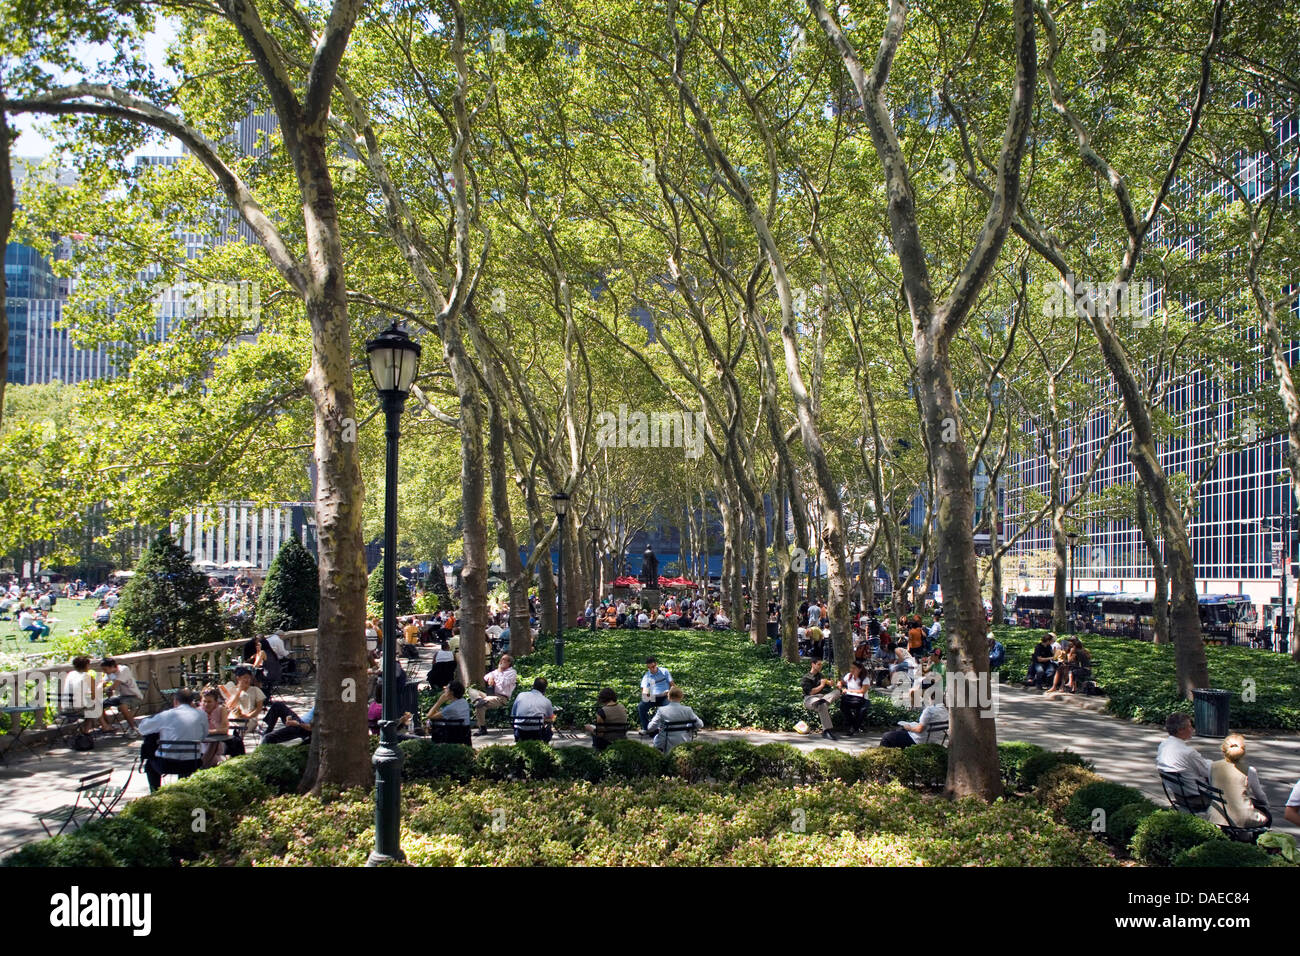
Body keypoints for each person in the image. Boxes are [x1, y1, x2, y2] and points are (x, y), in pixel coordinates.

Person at [137, 689, 209, 791]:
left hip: (166, 764)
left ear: (175, 701)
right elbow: (203, 736)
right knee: (185, 763)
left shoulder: (166, 715)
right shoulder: (201, 715)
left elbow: (142, 729)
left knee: (150, 764)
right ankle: (183, 789)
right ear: (191, 702)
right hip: (192, 763)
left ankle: (155, 792)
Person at [1207, 734, 1271, 830]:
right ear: (1243, 752)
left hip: (1216, 814)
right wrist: (1266, 804)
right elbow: (1259, 794)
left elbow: (1212, 784)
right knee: (1266, 815)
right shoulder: (1249, 770)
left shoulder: (1212, 766)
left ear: (1223, 750)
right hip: (1242, 817)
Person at [1156, 713, 1213, 809]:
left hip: (1179, 794)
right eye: (1190, 727)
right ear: (1180, 730)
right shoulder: (1188, 752)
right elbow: (1208, 771)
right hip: (1198, 797)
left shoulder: (1163, 745)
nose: (1192, 729)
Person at [880, 684, 948, 748]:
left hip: (919, 740)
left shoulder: (929, 710)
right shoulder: (946, 710)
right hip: (935, 741)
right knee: (899, 731)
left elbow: (919, 729)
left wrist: (909, 728)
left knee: (887, 736)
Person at [469, 654, 518, 735]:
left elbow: (503, 683)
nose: (501, 661)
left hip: (501, 698)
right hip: (489, 695)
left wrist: (499, 671)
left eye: (503, 659)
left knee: (480, 706)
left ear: (509, 663)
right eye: (501, 659)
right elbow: (486, 677)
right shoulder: (496, 671)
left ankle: (482, 728)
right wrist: (491, 677)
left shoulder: (512, 672)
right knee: (472, 691)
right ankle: (480, 700)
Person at [647, 686, 704, 752]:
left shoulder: (661, 710)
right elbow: (700, 724)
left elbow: (650, 727)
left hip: (665, 744)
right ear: (681, 697)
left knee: (656, 739)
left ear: (668, 697)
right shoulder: (687, 710)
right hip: (684, 742)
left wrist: (658, 728)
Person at [98, 657, 143, 736]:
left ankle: (134, 728)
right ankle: (107, 726)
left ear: (112, 666)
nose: (104, 672)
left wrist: (106, 689)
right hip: (121, 696)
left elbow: (114, 685)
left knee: (123, 706)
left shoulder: (124, 670)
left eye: (105, 669)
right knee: (99, 704)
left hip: (133, 696)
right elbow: (103, 682)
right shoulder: (109, 673)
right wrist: (97, 688)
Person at [801, 658, 841, 740]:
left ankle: (822, 702)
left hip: (822, 697)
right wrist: (822, 685)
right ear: (813, 664)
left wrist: (831, 684)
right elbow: (810, 692)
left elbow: (828, 689)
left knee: (837, 692)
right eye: (818, 664)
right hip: (810, 699)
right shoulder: (806, 677)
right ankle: (827, 731)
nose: (820, 666)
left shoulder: (821, 675)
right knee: (821, 704)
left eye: (821, 665)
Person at [220, 666, 267, 735]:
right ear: (238, 678)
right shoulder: (233, 690)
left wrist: (248, 716)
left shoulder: (255, 690)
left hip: (249, 719)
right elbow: (230, 706)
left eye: (249, 678)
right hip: (234, 717)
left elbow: (259, 708)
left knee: (237, 731)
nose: (247, 680)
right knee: (225, 728)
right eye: (245, 677)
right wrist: (239, 691)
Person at [511, 676, 555, 742]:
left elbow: (513, 713)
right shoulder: (546, 701)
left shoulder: (521, 695)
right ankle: (544, 748)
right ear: (545, 688)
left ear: (533, 685)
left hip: (520, 732)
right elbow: (551, 719)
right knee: (549, 727)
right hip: (536, 733)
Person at [637, 657, 674, 734]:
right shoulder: (647, 676)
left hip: (665, 696)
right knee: (641, 706)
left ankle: (667, 727)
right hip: (653, 697)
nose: (651, 669)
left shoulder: (664, 671)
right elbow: (644, 692)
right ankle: (646, 728)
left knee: (668, 706)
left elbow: (672, 685)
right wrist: (648, 695)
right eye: (649, 668)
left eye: (653, 667)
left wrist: (670, 693)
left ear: (656, 664)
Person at [199, 687, 229, 768]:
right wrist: (217, 730)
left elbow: (225, 730)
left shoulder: (221, 710)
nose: (206, 704)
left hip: (217, 743)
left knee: (214, 743)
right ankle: (203, 766)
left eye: (209, 702)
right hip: (200, 744)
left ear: (216, 702)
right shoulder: (198, 712)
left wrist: (209, 732)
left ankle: (202, 766)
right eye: (204, 701)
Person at [838, 660, 869, 735]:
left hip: (862, 699)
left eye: (854, 668)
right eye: (851, 668)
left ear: (859, 669)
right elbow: (841, 682)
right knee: (843, 706)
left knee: (862, 711)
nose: (852, 670)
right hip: (850, 698)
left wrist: (849, 690)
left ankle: (854, 728)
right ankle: (852, 724)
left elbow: (863, 691)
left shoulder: (865, 679)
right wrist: (839, 685)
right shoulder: (849, 676)